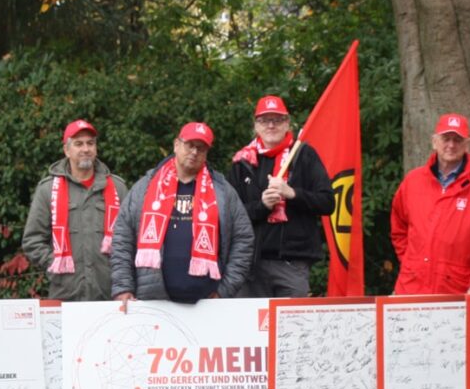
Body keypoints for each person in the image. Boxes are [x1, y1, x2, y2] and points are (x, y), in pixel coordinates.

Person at [110, 122, 253, 303]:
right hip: (153, 302)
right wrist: (123, 287)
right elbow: (122, 237)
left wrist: (225, 290)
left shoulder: (223, 191)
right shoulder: (145, 187)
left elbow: (244, 239)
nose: (194, 152)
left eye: (201, 148)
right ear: (176, 145)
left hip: (208, 305)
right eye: (190, 145)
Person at [226, 95, 334, 298]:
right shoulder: (241, 162)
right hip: (251, 264)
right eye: (265, 120)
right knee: (252, 328)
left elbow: (327, 202)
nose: (271, 125)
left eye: (277, 119)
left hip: (292, 262)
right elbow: (231, 215)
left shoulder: (304, 154)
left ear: (287, 123)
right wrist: (262, 205)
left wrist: (292, 194)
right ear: (256, 125)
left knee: (294, 327)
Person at [389, 113, 470, 304]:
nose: (451, 145)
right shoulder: (413, 181)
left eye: (457, 140)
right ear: (434, 142)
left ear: (467, 145)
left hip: (456, 291)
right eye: (446, 138)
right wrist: (412, 262)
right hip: (411, 288)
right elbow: (398, 227)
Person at [21, 119, 125, 300]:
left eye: (90, 143)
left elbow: (131, 238)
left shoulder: (117, 187)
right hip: (65, 293)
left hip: (109, 293)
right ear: (66, 150)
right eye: (78, 144)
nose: (86, 149)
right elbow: (32, 240)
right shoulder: (48, 189)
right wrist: (55, 263)